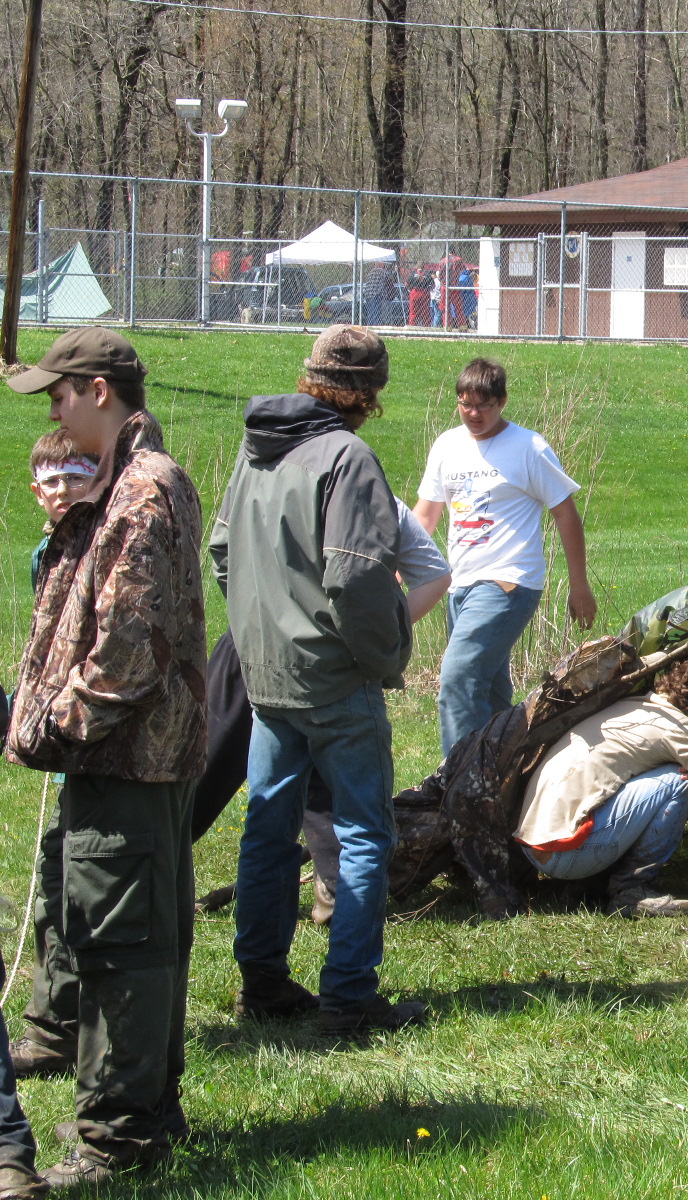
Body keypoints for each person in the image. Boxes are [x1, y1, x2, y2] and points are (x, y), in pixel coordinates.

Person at [5, 328, 207, 1188]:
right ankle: (150, 1117)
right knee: (144, 939)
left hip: (125, 758)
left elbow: (128, 652)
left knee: (118, 946)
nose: (50, 409)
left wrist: (46, 725)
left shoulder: (142, 494)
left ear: (97, 391)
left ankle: (118, 1140)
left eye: (56, 395)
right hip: (132, 761)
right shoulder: (125, 485)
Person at [210, 324, 422, 1035]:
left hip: (265, 677)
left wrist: (259, 625)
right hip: (334, 682)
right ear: (368, 395)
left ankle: (263, 981)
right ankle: (350, 995)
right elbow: (358, 578)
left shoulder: (257, 450)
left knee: (268, 831)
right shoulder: (346, 457)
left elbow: (220, 551)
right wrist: (384, 657)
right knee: (364, 833)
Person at [190, 496, 450, 927]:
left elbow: (222, 549)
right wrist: (377, 638)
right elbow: (435, 575)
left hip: (265, 647)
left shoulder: (272, 478)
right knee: (219, 763)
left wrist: (261, 615)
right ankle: (332, 892)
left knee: (289, 773)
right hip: (308, 659)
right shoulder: (372, 494)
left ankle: (332, 892)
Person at [414, 357, 597, 759]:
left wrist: (579, 585)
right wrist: (397, 567)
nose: (474, 413)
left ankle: (458, 784)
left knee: (458, 680)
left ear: (503, 402)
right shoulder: (447, 445)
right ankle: (510, 778)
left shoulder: (529, 448)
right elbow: (426, 515)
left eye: (484, 405)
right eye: (465, 404)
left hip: (508, 583)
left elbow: (565, 514)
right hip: (460, 584)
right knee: (493, 693)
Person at [514, 658, 688, 916]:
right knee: (677, 781)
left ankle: (589, 883)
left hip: (534, 846)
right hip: (566, 854)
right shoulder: (677, 727)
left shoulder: (630, 706)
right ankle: (633, 889)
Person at [26, 431, 98, 590]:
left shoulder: (114, 541)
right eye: (50, 481)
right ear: (38, 493)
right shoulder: (43, 553)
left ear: (98, 483)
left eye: (75, 478)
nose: (62, 491)